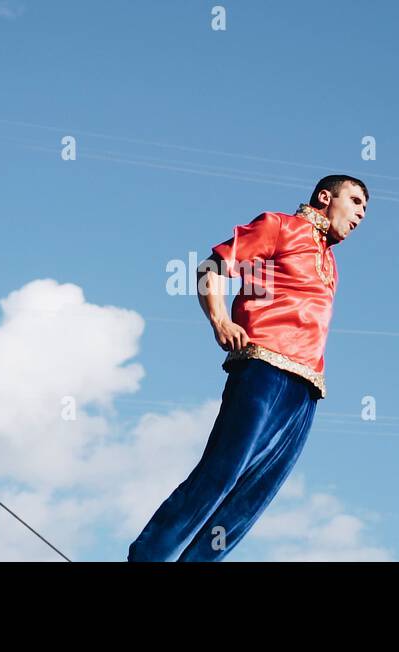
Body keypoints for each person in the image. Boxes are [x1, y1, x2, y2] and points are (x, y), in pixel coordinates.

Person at [127, 175, 369, 561]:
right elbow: (210, 267)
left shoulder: (331, 261)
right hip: (263, 369)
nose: (360, 214)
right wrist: (221, 320)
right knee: (223, 471)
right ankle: (150, 555)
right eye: (355, 201)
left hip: (307, 388)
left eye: (364, 209)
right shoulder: (278, 226)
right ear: (326, 197)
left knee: (255, 495)